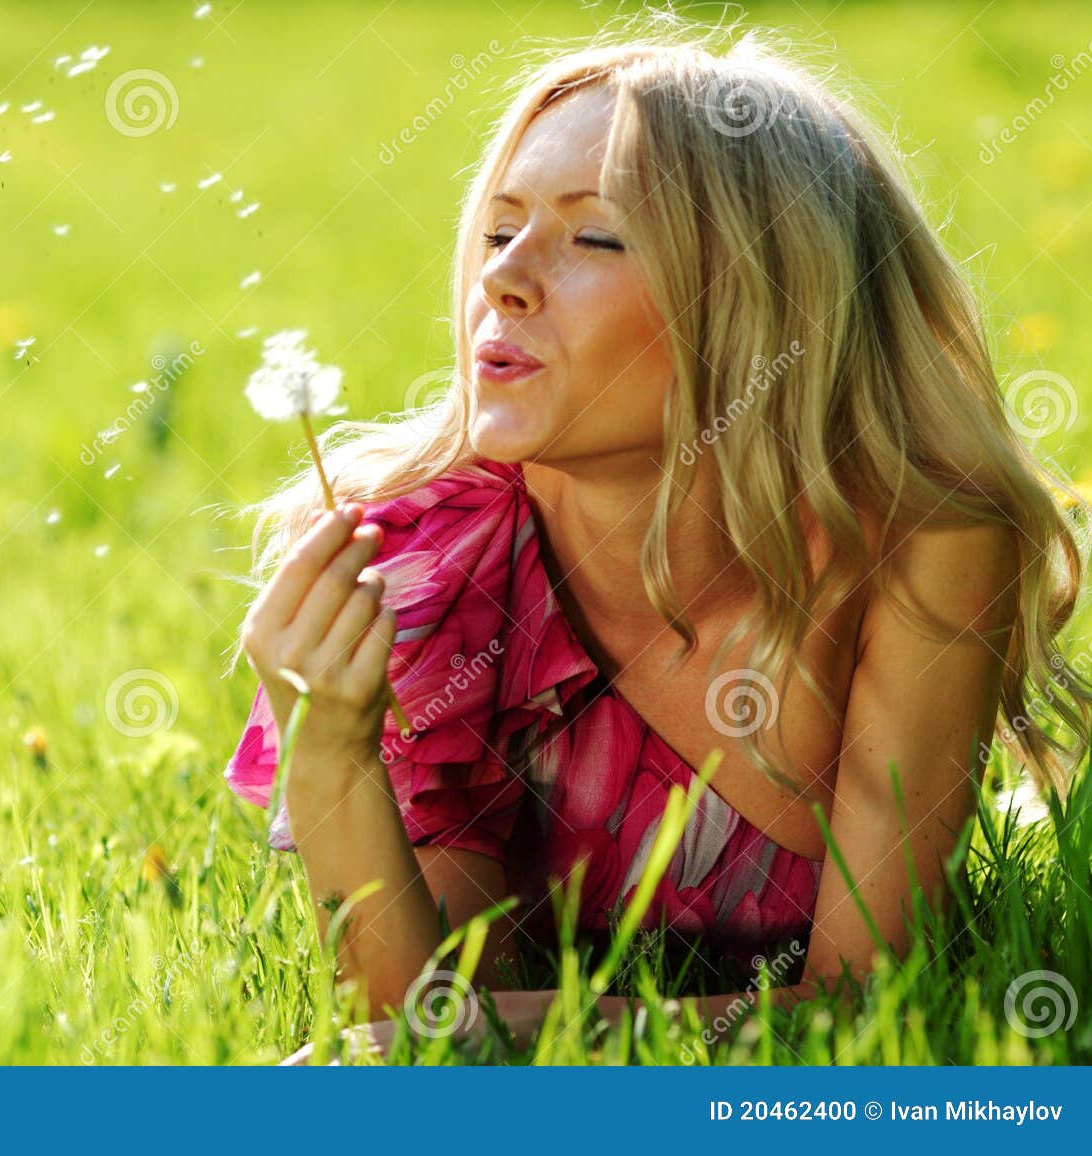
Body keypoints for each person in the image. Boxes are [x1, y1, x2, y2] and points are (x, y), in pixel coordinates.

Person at [226, 31, 1090, 1061]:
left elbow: (869, 1001)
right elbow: (424, 1015)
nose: (502, 277)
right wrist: (328, 757)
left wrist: (509, 1030)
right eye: (499, 231)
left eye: (593, 240)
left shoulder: (920, 546)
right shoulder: (434, 554)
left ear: (765, 305)